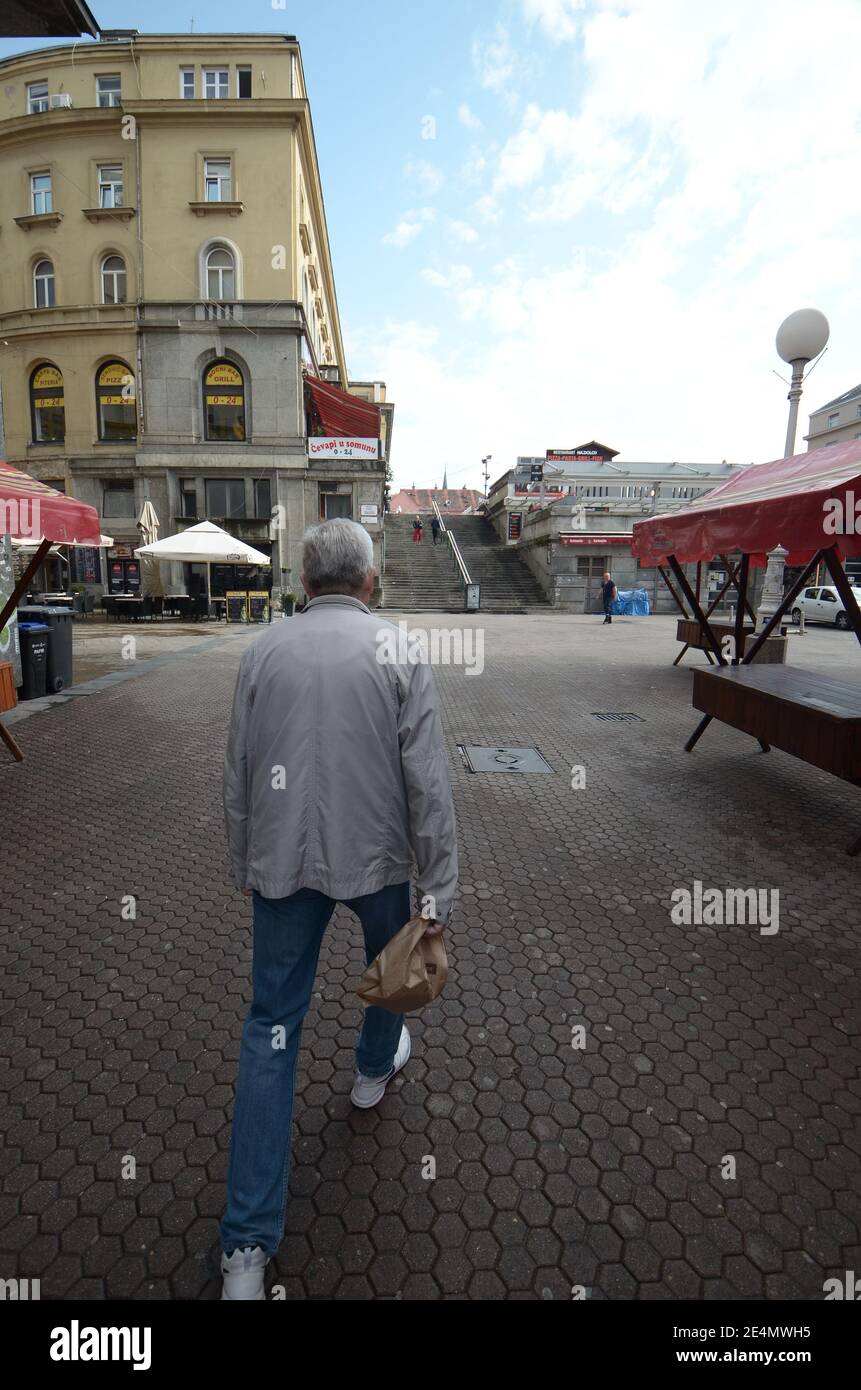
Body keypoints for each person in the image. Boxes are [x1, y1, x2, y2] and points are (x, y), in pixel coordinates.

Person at [220, 518, 458, 1300]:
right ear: (366, 581)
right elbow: (425, 777)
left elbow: (240, 765)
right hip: (377, 856)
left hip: (284, 860)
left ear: (304, 582)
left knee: (270, 1029)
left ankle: (246, 1252)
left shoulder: (262, 651)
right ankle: (367, 1072)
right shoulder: (396, 649)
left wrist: (243, 855)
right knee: (388, 972)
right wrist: (440, 882)